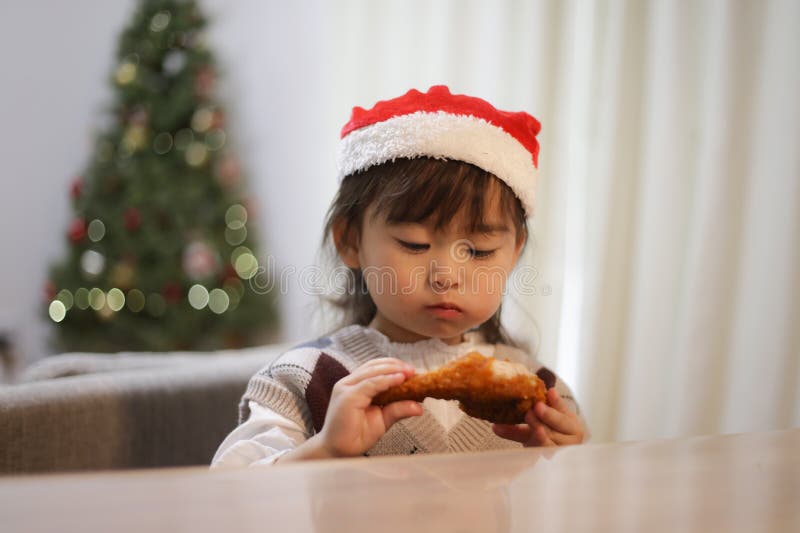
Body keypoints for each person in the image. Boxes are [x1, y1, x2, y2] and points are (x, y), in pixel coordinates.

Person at [211, 85, 586, 467]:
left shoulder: (543, 392)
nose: (445, 277)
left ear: (514, 251)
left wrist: (570, 465)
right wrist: (323, 450)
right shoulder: (306, 379)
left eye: (478, 251)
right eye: (415, 244)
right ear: (351, 241)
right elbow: (229, 491)